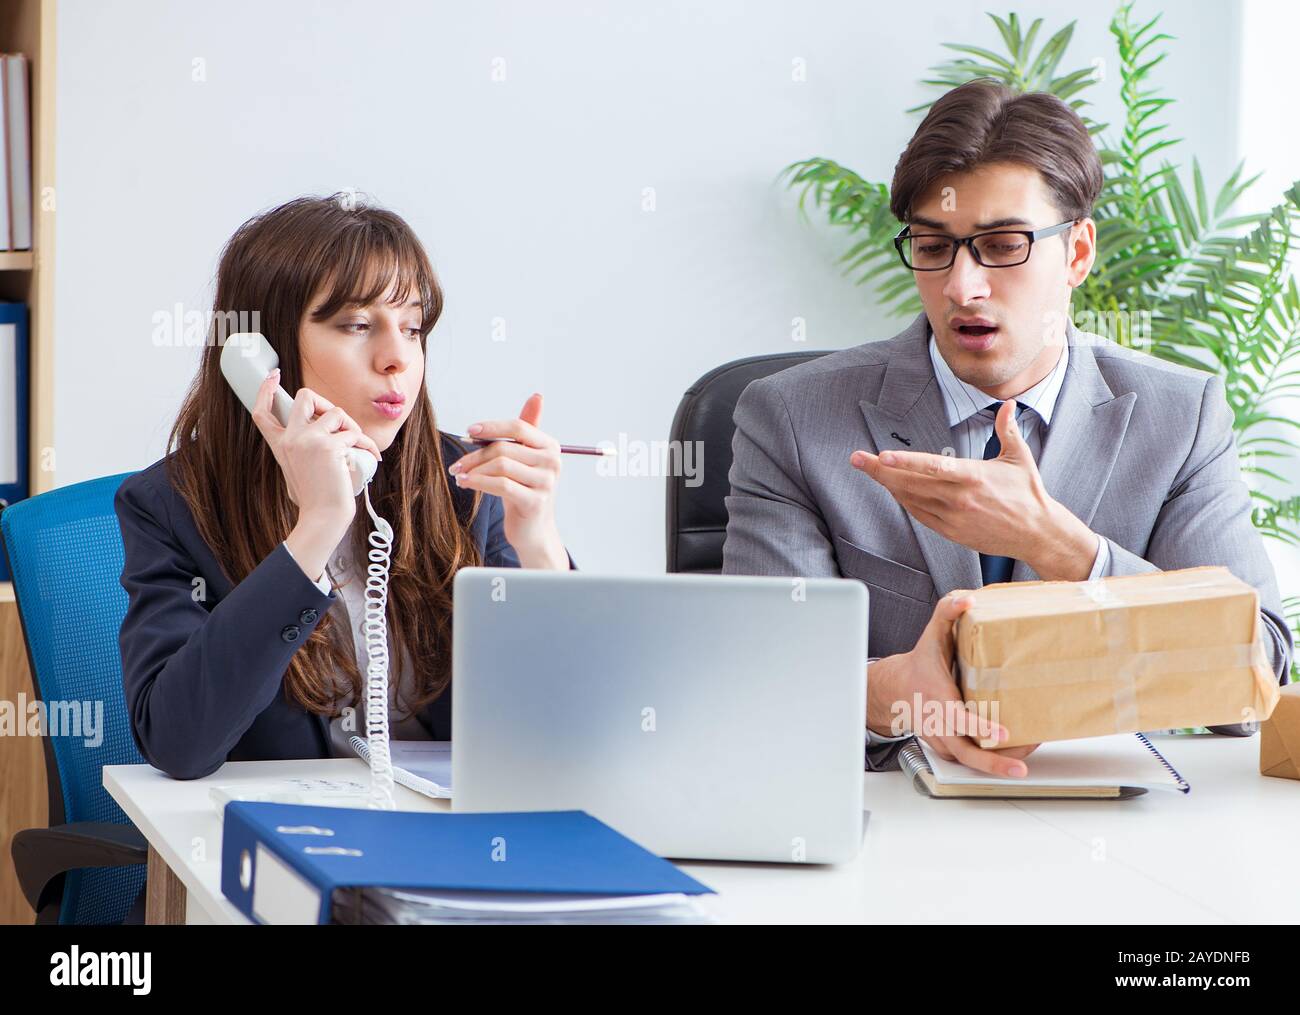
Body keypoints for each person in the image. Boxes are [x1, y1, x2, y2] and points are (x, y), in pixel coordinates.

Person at [721, 79, 1293, 777]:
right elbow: (757, 670)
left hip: (1118, 835)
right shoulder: (793, 417)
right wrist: (882, 695)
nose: (963, 286)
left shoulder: (1181, 418)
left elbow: (1254, 674)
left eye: (1002, 245)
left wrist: (1062, 548)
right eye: (934, 247)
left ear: (1077, 252)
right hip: (892, 830)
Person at [116, 193, 574, 793]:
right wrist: (319, 524)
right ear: (262, 355)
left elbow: (560, 736)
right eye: (358, 325)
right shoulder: (173, 505)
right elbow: (180, 743)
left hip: (447, 837)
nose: (396, 360)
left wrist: (540, 549)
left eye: (412, 328)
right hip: (264, 849)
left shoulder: (462, 483)